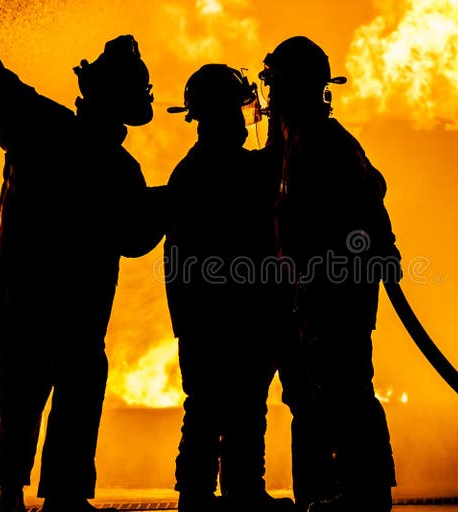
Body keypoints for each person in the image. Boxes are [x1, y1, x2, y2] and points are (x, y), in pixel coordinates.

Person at [0, 12, 162, 512]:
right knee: (74, 390)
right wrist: (173, 202)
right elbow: (136, 236)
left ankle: (12, 493)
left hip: (22, 291)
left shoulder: (40, 124)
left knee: (20, 389)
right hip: (72, 306)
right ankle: (61, 495)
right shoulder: (119, 167)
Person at [258, 36, 401, 512]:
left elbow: (364, 201)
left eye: (276, 87)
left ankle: (360, 494)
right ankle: (331, 492)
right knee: (323, 392)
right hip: (321, 291)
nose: (271, 99)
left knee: (345, 390)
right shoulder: (303, 139)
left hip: (334, 292)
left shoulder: (320, 142)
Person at [163, 64, 295, 512]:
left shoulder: (191, 170)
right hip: (236, 314)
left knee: (208, 406)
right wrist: (283, 113)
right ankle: (238, 493)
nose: (244, 122)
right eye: (238, 112)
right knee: (238, 407)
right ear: (221, 115)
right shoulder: (228, 168)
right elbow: (273, 165)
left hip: (201, 316)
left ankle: (199, 495)